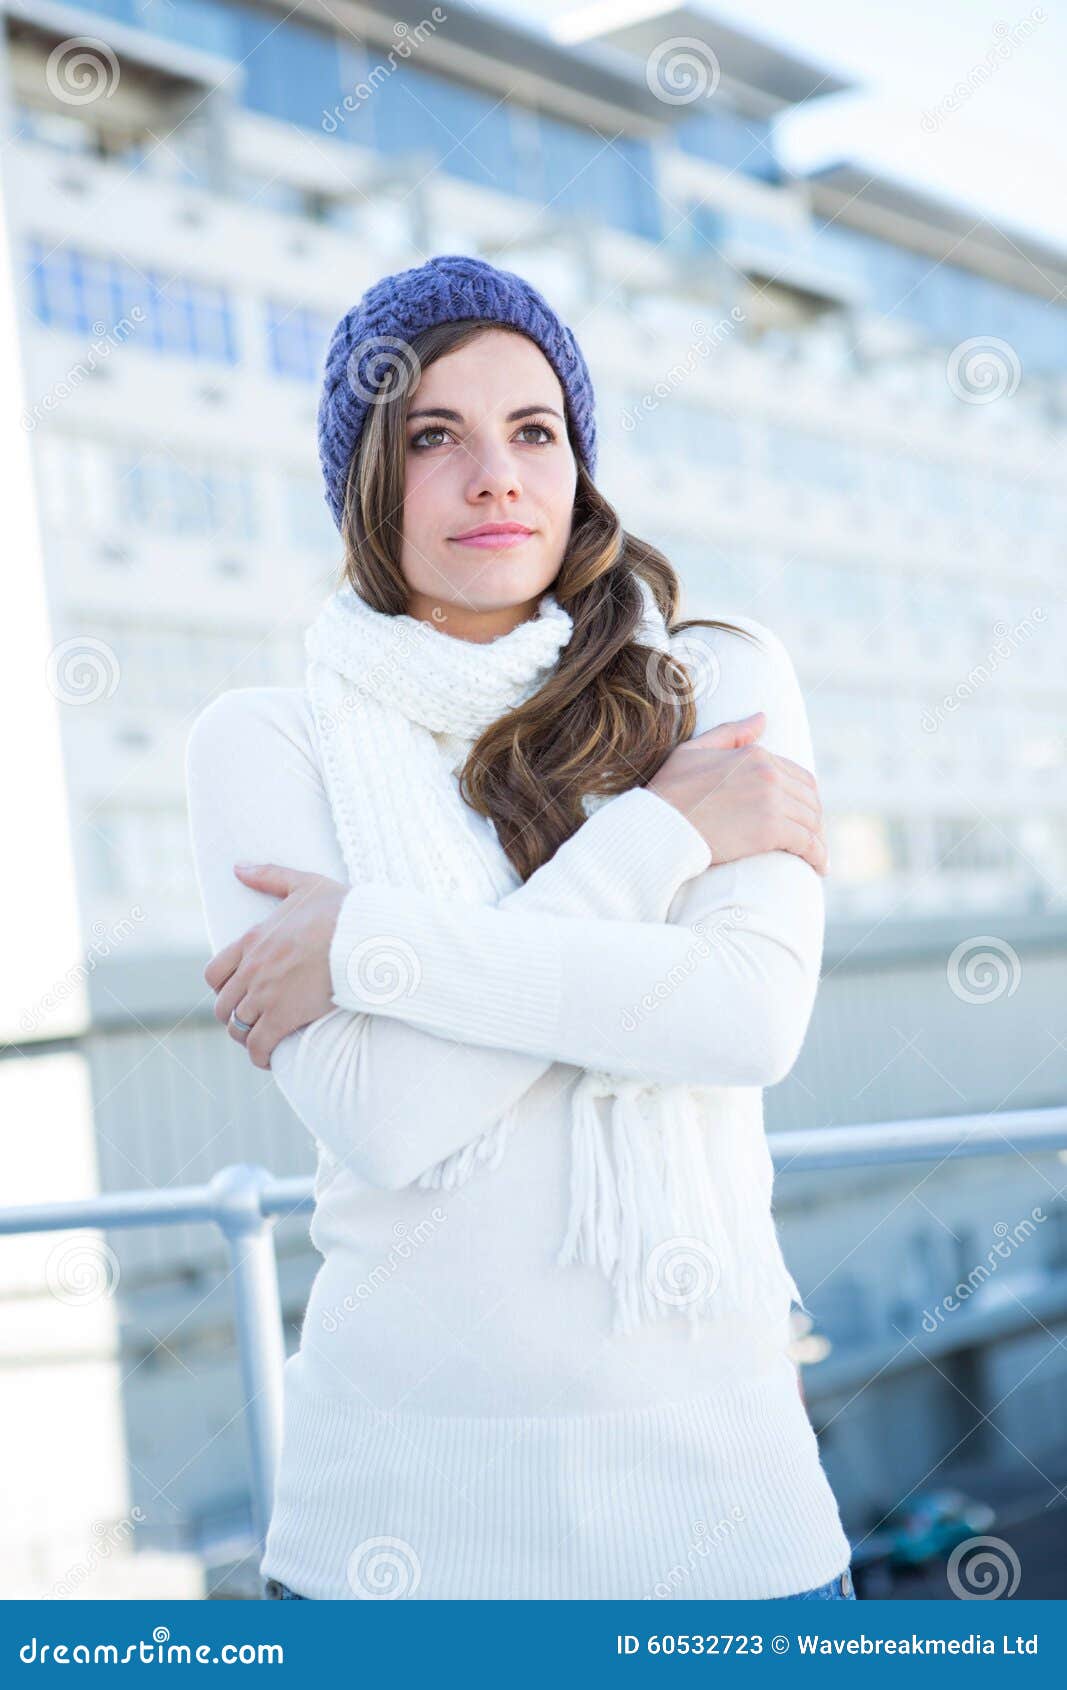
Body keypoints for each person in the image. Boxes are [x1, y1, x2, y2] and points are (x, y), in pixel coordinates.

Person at [185, 253, 855, 1603]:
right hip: (395, 1560)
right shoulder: (268, 741)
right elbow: (390, 1112)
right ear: (368, 484)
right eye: (435, 436)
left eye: (533, 431)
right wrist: (663, 837)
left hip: (734, 1539)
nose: (496, 475)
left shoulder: (714, 681)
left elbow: (743, 1020)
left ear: (578, 464)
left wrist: (369, 944)